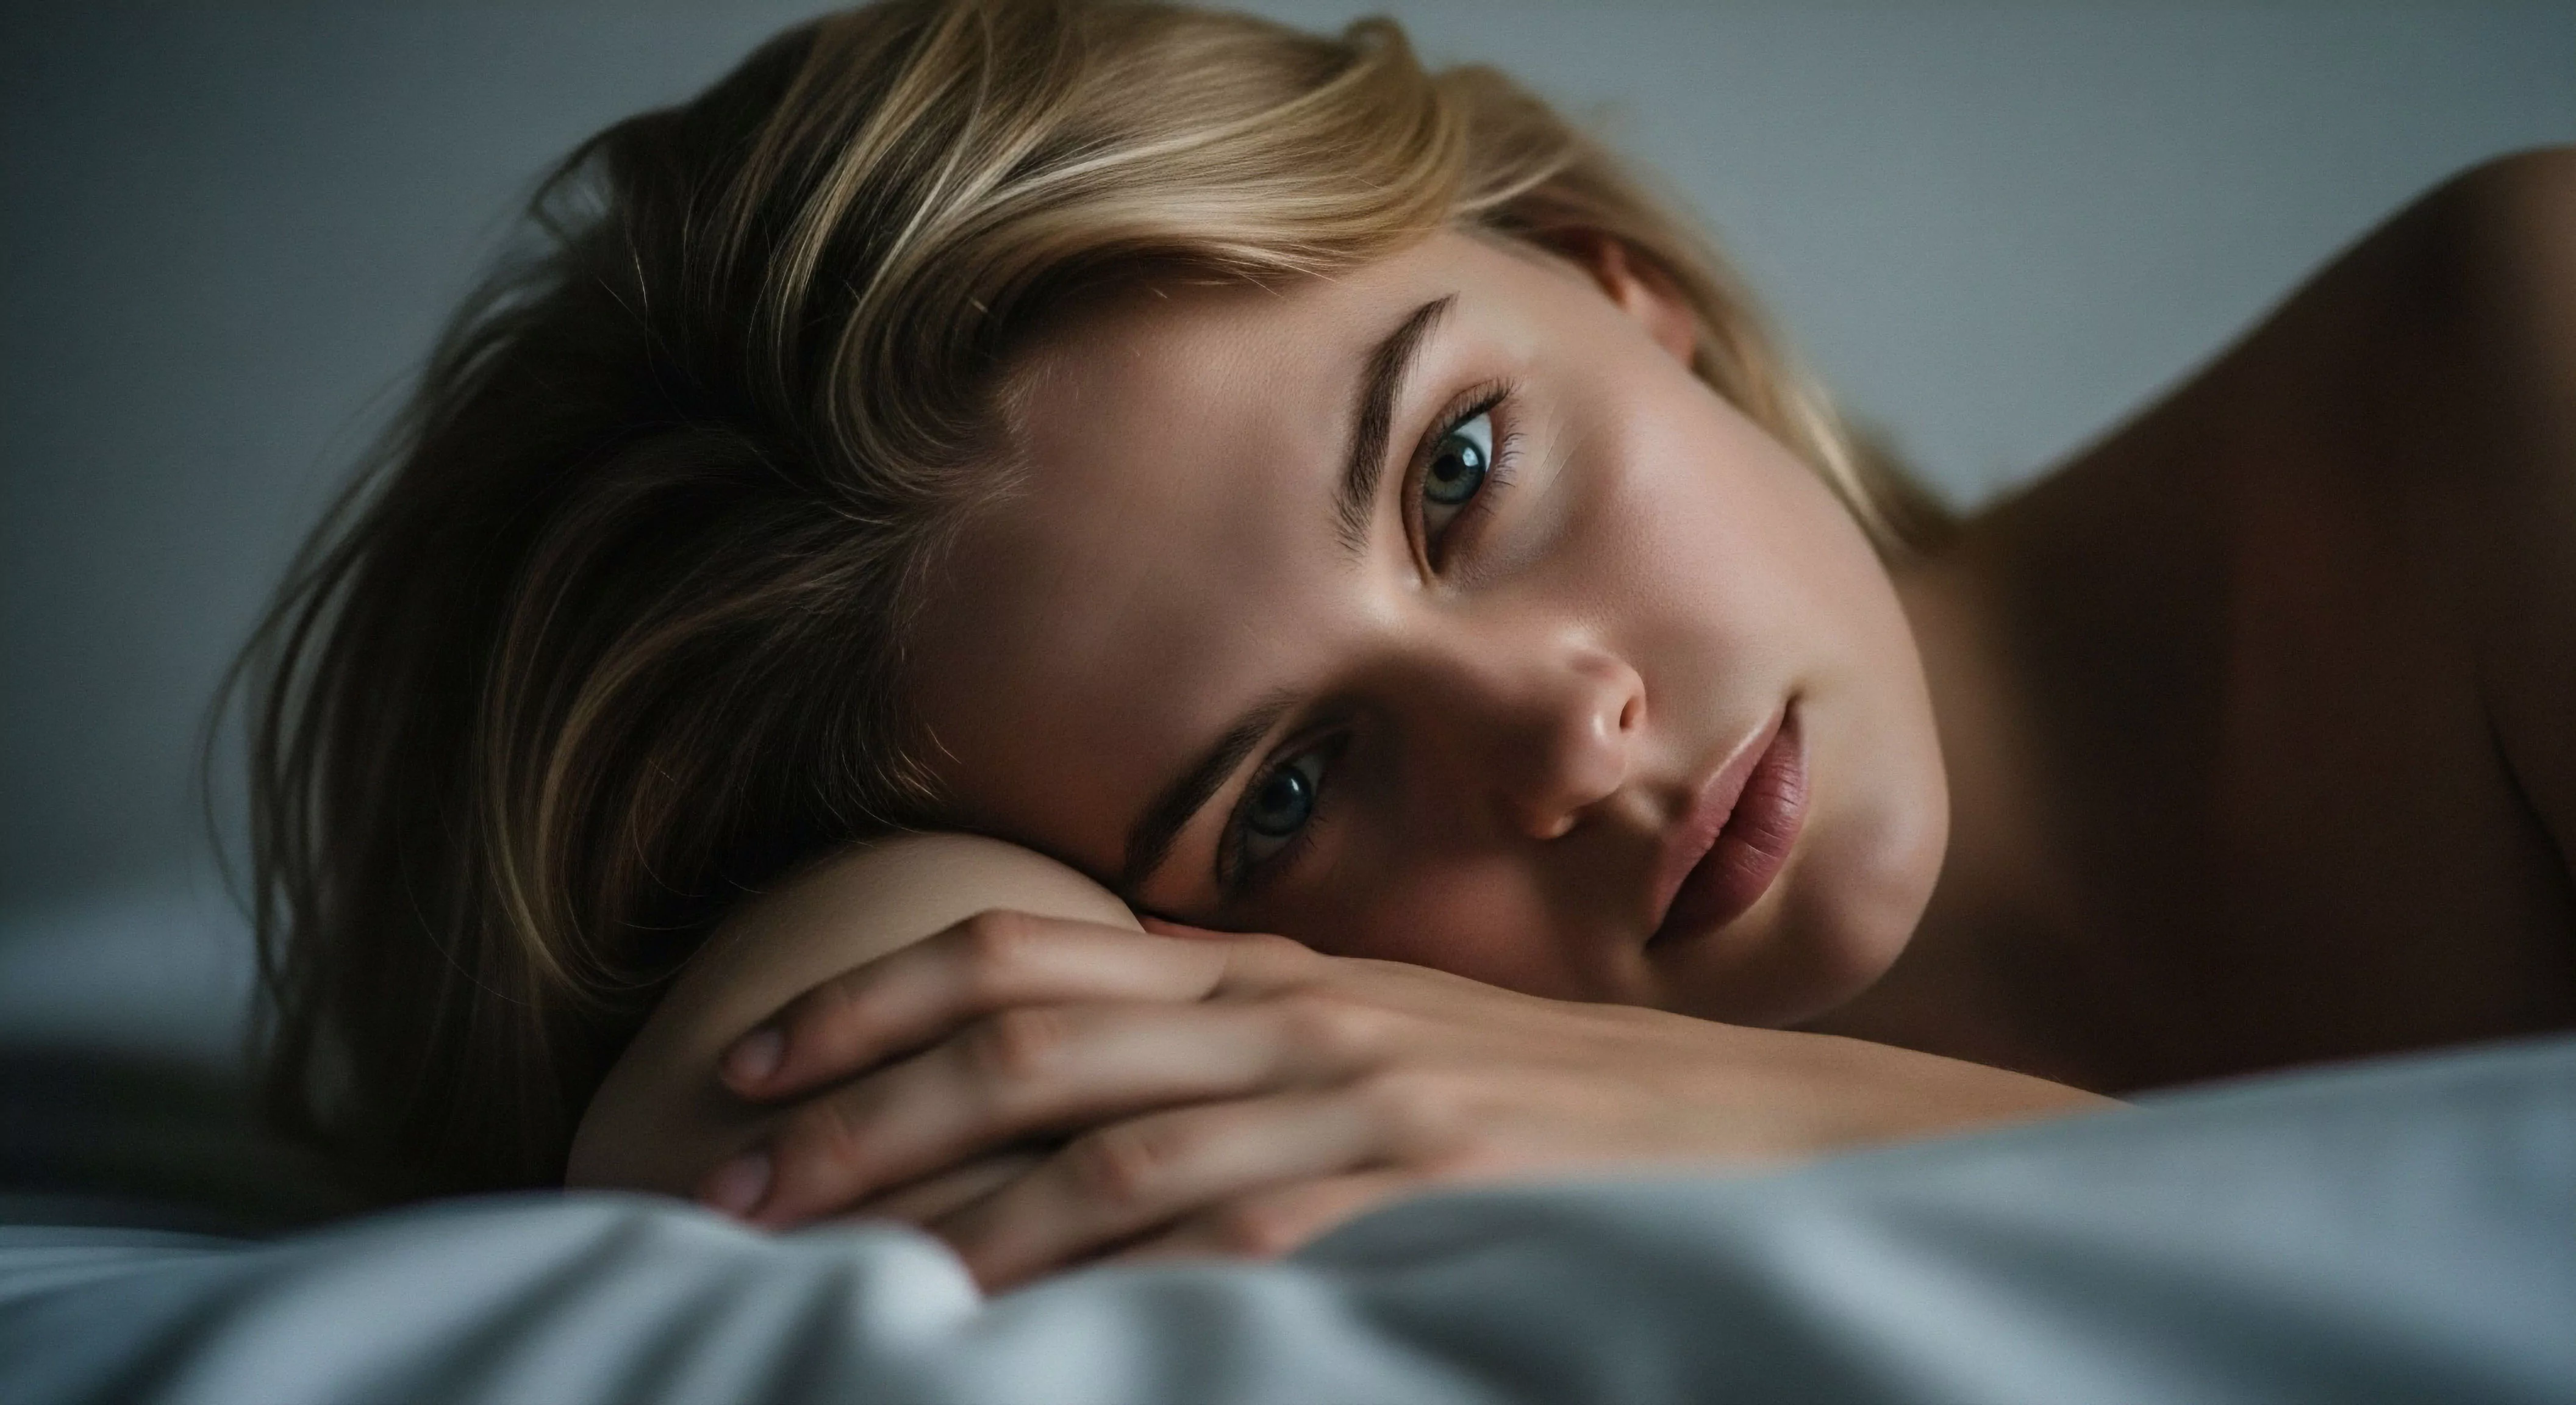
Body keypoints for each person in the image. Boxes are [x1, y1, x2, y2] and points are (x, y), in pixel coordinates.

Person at [232, 0, 2575, 1292]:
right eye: (1282, 794)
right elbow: (751, 1159)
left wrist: (1830, 1123)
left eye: (1459, 465)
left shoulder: (2521, 366)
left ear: (1611, 276)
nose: (1562, 731)